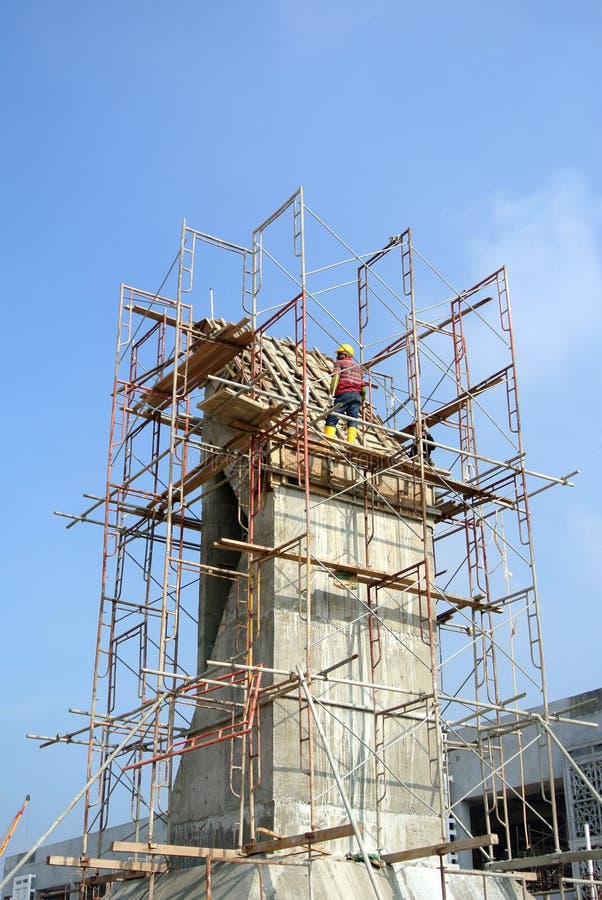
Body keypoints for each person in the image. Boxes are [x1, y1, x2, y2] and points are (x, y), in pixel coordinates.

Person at [323, 344, 365, 444]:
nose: (337, 356)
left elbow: (335, 378)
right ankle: (351, 442)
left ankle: (327, 439)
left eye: (339, 354)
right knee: (353, 419)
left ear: (344, 354)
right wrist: (362, 399)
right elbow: (363, 387)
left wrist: (331, 393)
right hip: (357, 396)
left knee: (332, 417)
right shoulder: (359, 368)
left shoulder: (340, 363)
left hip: (344, 394)